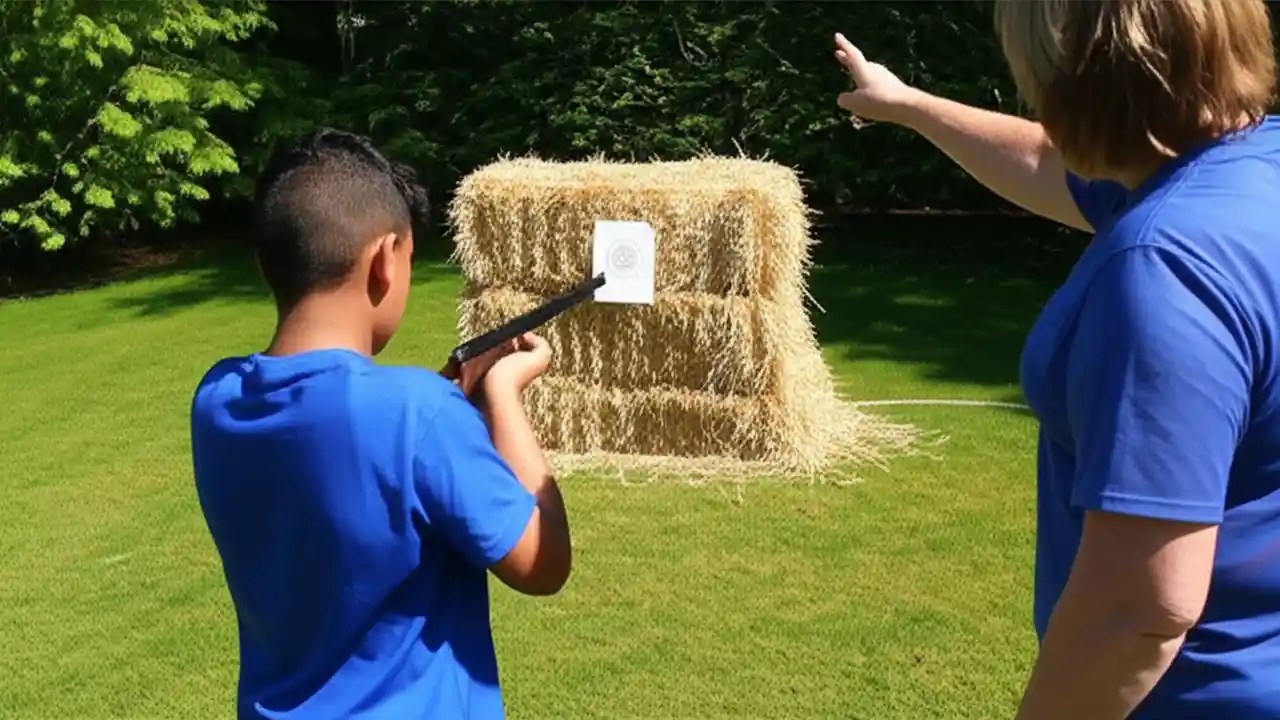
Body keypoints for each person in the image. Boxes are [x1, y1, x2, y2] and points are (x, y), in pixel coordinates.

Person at [834, 1, 1280, 718]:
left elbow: (1139, 611)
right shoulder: (1254, 169)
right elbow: (1052, 166)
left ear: (1074, 79)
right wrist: (907, 105)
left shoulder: (1165, 267)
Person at [189, 128, 572, 719]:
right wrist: (503, 393)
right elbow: (542, 563)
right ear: (384, 261)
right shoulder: (419, 414)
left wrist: (438, 398)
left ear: (269, 263)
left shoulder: (216, 398)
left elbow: (336, 427)